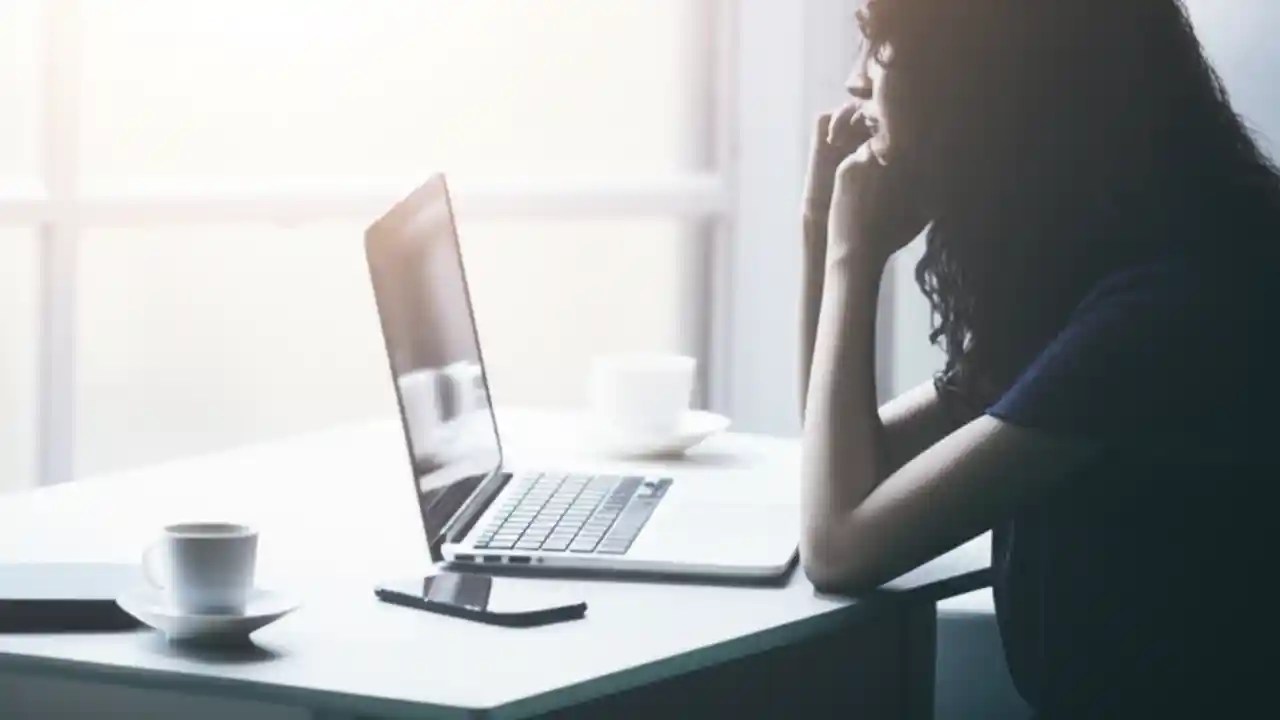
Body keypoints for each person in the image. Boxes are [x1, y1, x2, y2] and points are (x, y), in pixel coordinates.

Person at [799, 1, 1276, 716]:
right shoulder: (1098, 269)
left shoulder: (1167, 310)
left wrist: (851, 258)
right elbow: (843, 472)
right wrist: (820, 232)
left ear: (982, 77)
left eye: (882, 46)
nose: (856, 80)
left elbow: (838, 545)